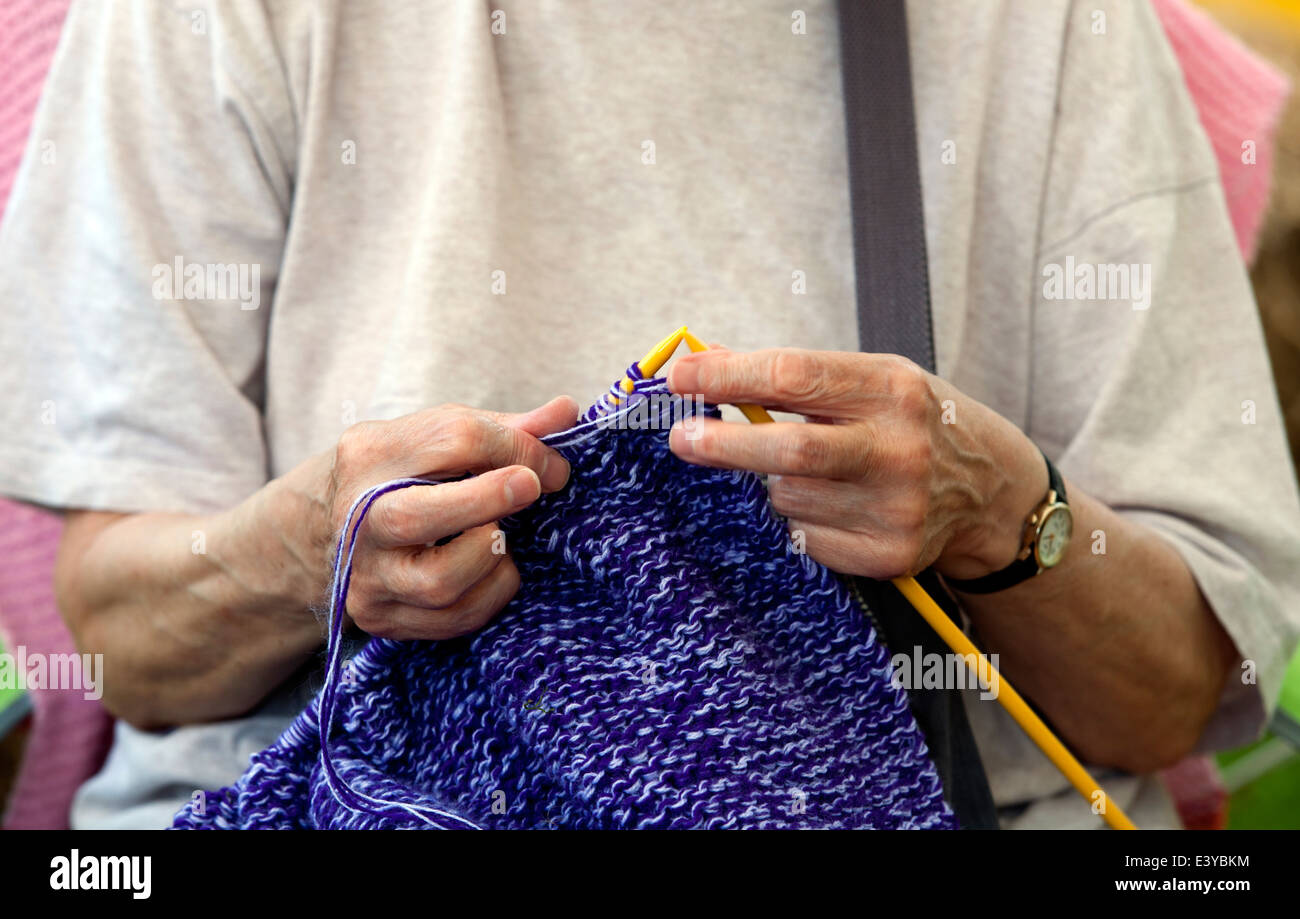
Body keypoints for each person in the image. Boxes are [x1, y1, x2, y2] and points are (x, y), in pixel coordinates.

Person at [0, 0, 1296, 830]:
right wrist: (307, 554)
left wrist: (1009, 516)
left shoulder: (1048, 28)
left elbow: (1180, 698)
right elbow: (124, 644)